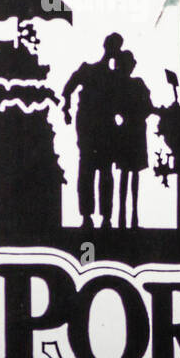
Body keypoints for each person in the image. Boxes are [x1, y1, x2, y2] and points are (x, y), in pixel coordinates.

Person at [62, 33, 124, 229]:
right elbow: (68, 88)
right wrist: (67, 108)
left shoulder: (113, 76)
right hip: (90, 127)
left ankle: (103, 217)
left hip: (103, 128)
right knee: (90, 170)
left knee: (102, 171)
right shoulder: (90, 70)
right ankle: (89, 216)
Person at [108, 50, 153, 229]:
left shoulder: (123, 84)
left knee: (127, 174)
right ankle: (130, 216)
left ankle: (125, 216)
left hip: (129, 129)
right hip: (134, 130)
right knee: (131, 173)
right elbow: (148, 107)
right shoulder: (135, 84)